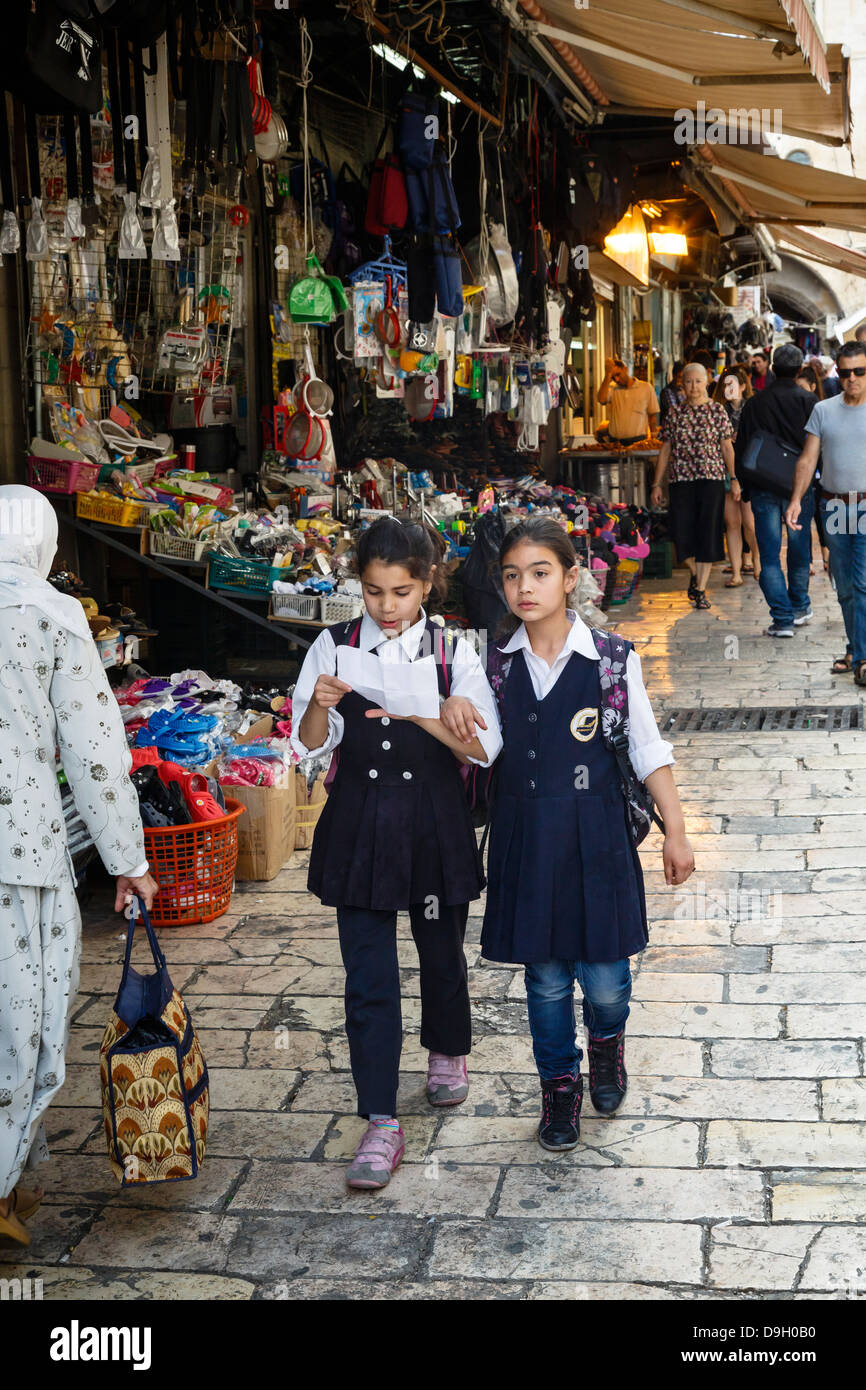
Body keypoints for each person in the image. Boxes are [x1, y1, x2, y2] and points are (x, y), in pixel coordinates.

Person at [454, 517, 693, 1152]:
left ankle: (608, 1046)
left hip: (599, 838)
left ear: (570, 577)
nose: (524, 588)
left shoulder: (613, 660)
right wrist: (443, 708)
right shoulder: (493, 666)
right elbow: (481, 750)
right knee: (547, 980)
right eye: (511, 576)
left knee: (608, 981)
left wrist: (678, 832)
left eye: (539, 573)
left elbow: (647, 747)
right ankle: (559, 1087)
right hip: (527, 836)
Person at [290, 517, 501, 1190]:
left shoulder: (454, 654)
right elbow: (307, 747)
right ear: (361, 585)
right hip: (359, 821)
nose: (387, 608)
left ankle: (447, 1050)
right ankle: (380, 1117)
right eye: (376, 592)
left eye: (402, 592)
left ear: (428, 585)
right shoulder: (333, 646)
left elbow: (483, 748)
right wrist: (323, 706)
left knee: (441, 954)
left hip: (434, 821)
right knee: (368, 977)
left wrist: (431, 711)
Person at [0, 486, 157, 1248]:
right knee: (21, 1029)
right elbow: (96, 758)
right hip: (19, 853)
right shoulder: (52, 613)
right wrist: (128, 861)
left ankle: (14, 1181)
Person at [786, 340, 866, 682]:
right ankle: (855, 648)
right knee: (845, 586)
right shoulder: (824, 410)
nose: (852, 379)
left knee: (863, 584)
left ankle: (862, 658)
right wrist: (794, 500)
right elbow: (808, 459)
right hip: (833, 505)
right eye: (845, 372)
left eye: (859, 371)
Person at [735, 343, 817, 638]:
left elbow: (742, 446)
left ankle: (782, 619)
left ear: (771, 366)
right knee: (798, 550)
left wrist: (744, 485)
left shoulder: (756, 403)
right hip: (799, 485)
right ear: (799, 370)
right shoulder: (809, 401)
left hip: (763, 486)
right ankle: (798, 607)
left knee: (768, 554)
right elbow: (817, 446)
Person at [650, 362, 738, 610]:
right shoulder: (675, 413)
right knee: (680, 533)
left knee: (708, 531)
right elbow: (665, 449)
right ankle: (694, 573)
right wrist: (657, 483)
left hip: (710, 479)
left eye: (698, 381)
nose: (693, 386)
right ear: (682, 384)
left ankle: (700, 588)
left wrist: (734, 478)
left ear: (707, 382)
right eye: (688, 381)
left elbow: (726, 447)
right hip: (680, 480)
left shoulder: (717, 411)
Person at [713, 366, 759, 588]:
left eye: (732, 384)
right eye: (725, 384)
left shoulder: (754, 407)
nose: (728, 388)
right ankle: (737, 572)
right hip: (725, 470)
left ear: (742, 386)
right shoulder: (718, 410)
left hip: (749, 470)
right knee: (732, 522)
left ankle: (758, 564)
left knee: (749, 523)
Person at [795, 365, 830, 576]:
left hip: (823, 473)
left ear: (813, 386)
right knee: (804, 517)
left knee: (822, 515)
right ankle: (807, 561)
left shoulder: (823, 410)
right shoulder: (795, 411)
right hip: (804, 472)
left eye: (802, 387)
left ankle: (827, 556)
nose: (798, 392)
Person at [597, 356, 660, 444]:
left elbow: (652, 415)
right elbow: (601, 399)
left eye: (618, 374)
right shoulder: (613, 389)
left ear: (625, 369)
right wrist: (608, 375)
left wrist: (653, 438)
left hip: (639, 442)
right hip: (616, 444)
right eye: (613, 377)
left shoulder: (646, 387)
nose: (617, 379)